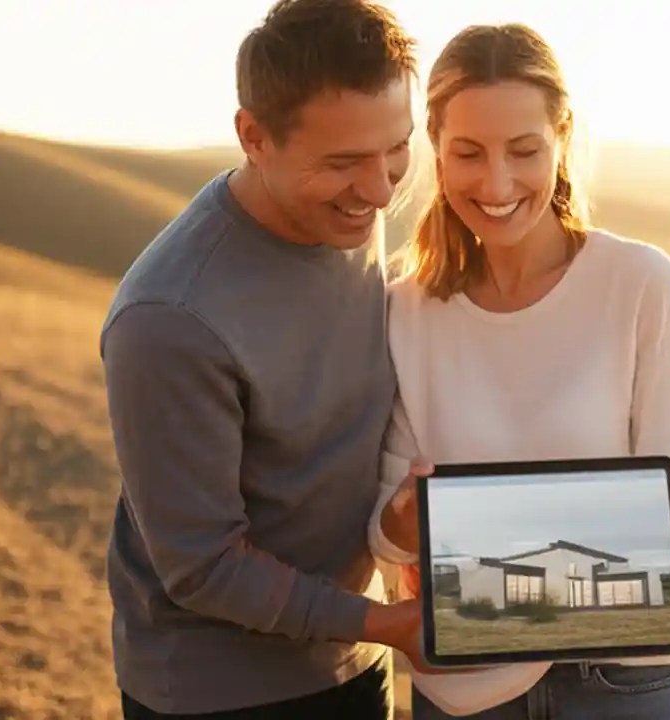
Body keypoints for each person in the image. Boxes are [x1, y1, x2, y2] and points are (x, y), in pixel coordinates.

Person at [368, 24, 670, 719]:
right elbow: (384, 533)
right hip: (464, 690)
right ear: (434, 148)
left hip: (619, 682)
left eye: (524, 151)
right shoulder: (404, 309)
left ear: (562, 139)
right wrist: (409, 519)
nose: (496, 183)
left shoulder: (637, 282)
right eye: (467, 153)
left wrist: (523, 521)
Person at [100, 1, 430, 717]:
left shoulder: (345, 212)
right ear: (254, 136)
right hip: (219, 692)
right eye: (343, 163)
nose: (379, 191)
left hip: (356, 657)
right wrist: (379, 623)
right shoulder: (169, 319)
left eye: (396, 149)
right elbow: (204, 568)